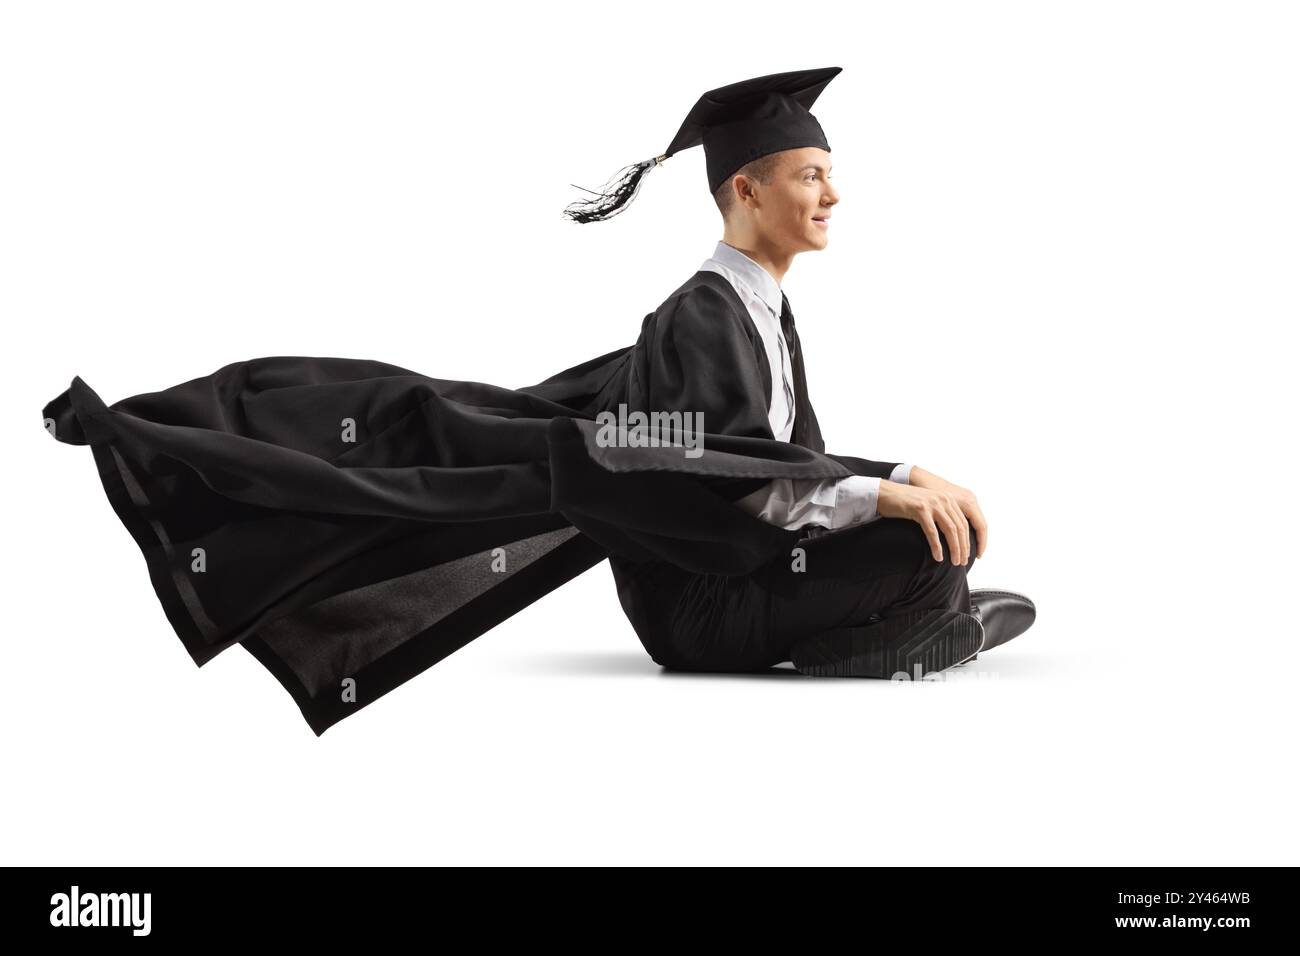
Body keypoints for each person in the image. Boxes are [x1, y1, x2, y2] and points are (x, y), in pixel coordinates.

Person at [562, 66, 1037, 677]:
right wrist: (888, 498)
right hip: (699, 605)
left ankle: (927, 619)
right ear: (749, 191)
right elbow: (740, 484)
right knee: (926, 547)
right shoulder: (701, 316)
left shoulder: (762, 308)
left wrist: (906, 474)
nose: (832, 196)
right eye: (811, 176)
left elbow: (794, 460)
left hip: (750, 573)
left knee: (943, 528)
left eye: (829, 176)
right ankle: (918, 623)